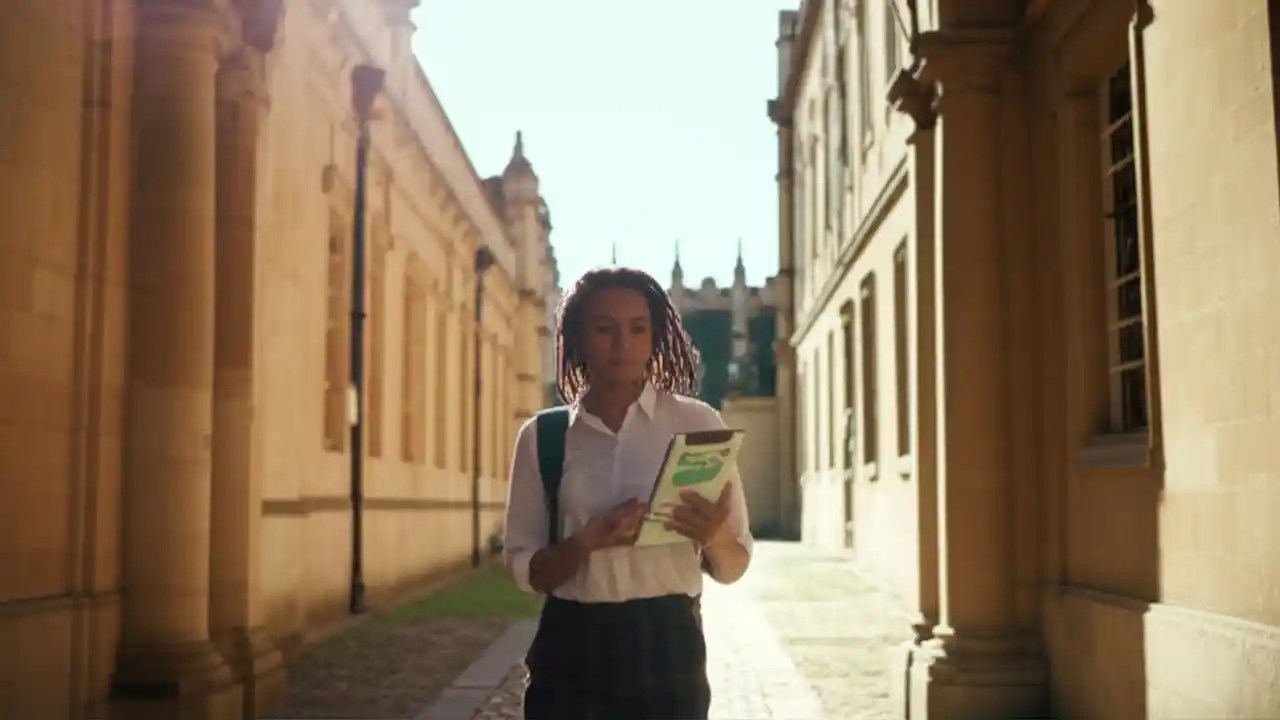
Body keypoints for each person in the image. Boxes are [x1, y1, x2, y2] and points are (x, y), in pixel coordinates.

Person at [502, 266, 754, 720]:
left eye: (638, 328)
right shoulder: (543, 437)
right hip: (571, 644)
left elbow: (734, 566)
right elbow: (528, 572)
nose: (623, 343)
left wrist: (715, 536)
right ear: (578, 338)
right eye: (605, 328)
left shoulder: (697, 425)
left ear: (655, 337)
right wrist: (586, 542)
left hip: (667, 643)